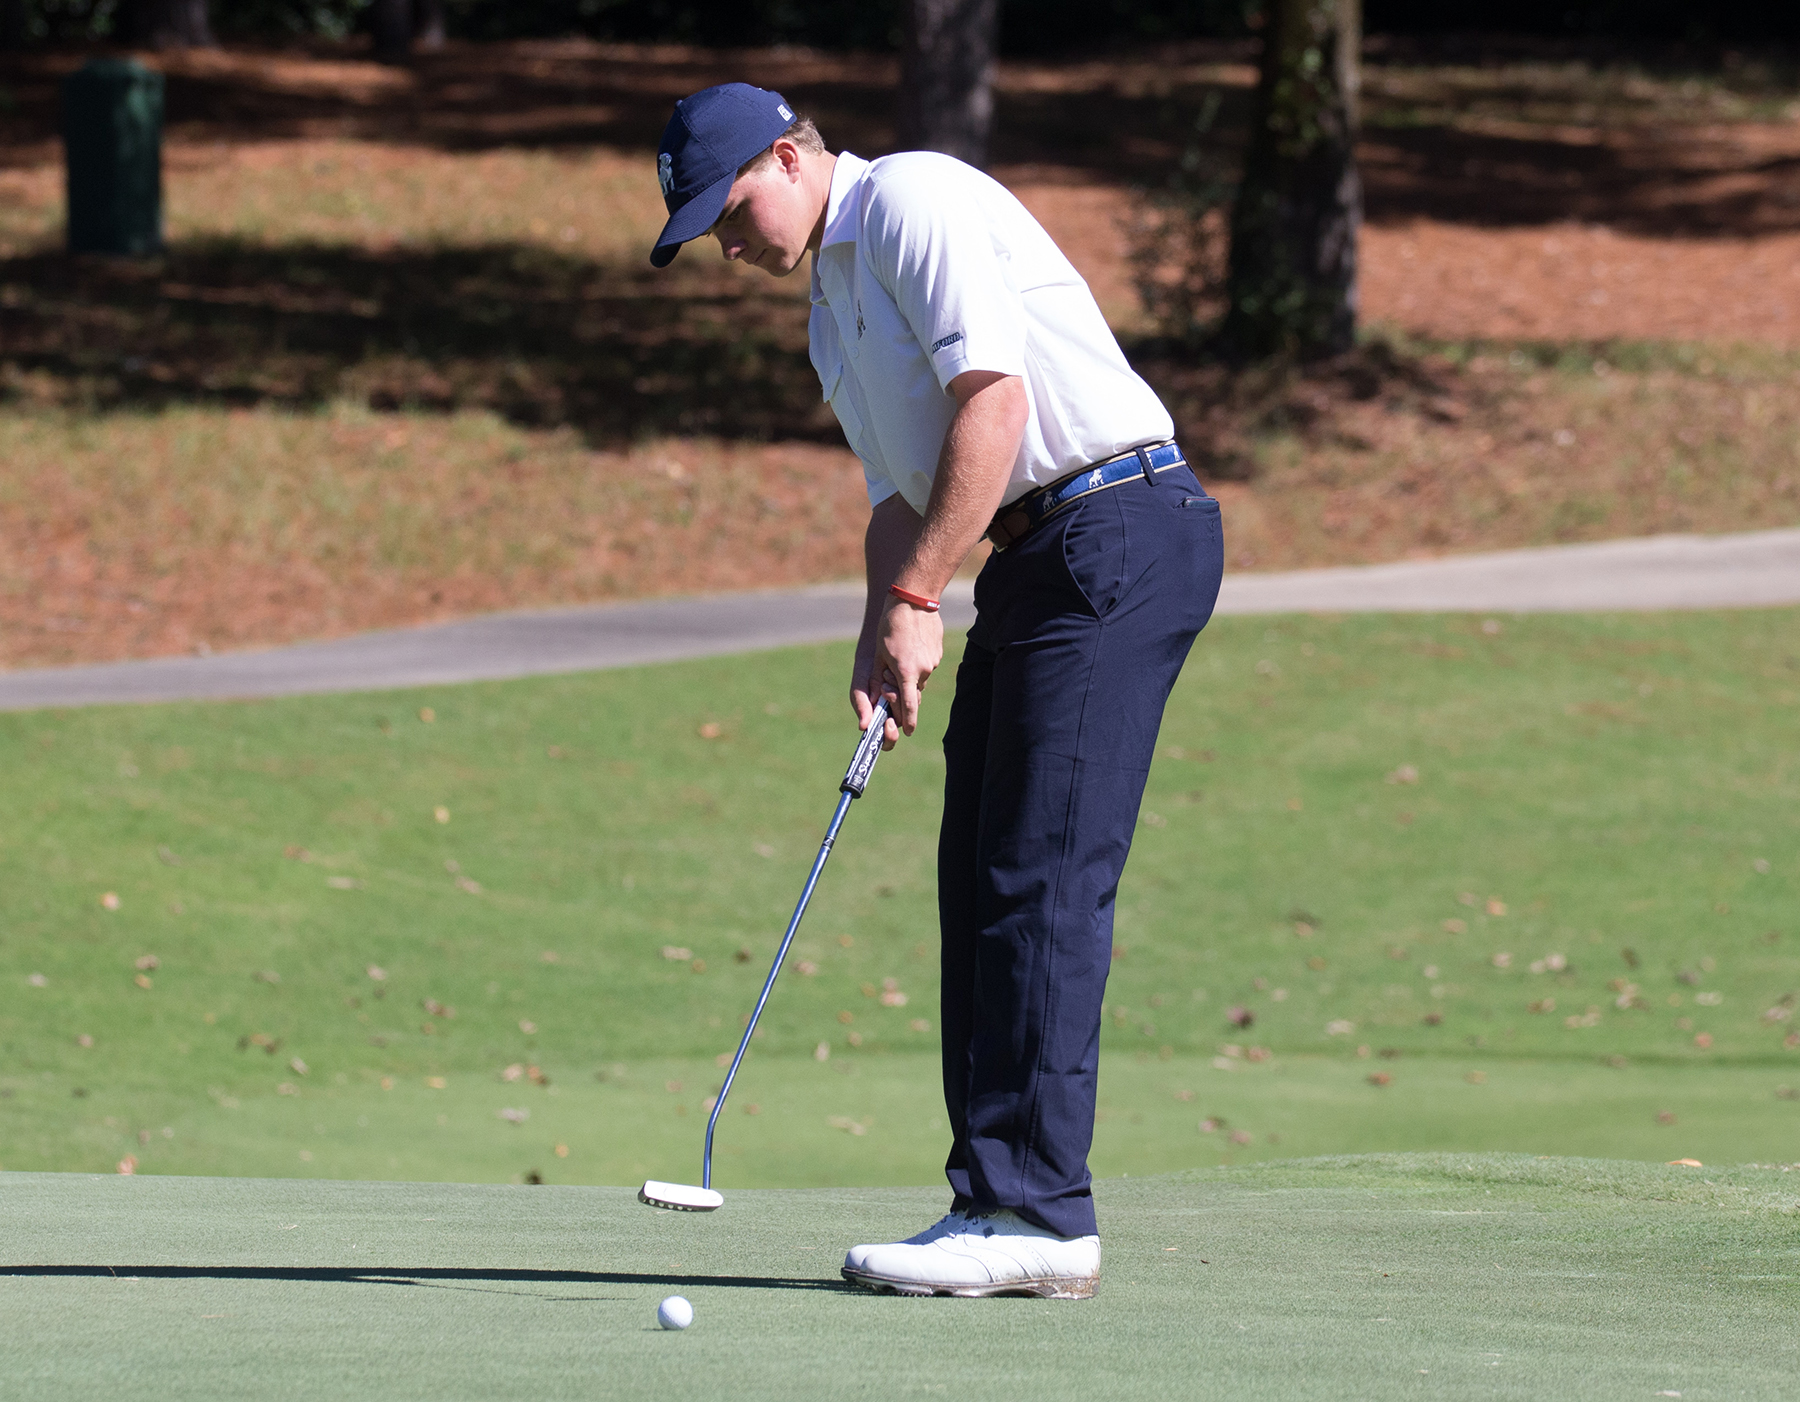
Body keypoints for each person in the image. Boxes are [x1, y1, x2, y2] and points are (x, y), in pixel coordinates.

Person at [649, 83, 1224, 1298]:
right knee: (982, 876)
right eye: (707, 227)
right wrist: (881, 618)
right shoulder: (829, 308)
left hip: (1117, 525)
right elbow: (901, 495)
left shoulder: (912, 198)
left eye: (732, 205)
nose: (728, 240)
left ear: (789, 155)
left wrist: (918, 601)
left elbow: (997, 405)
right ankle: (990, 1199)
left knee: (1041, 874)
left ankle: (1037, 1213)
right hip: (1032, 559)